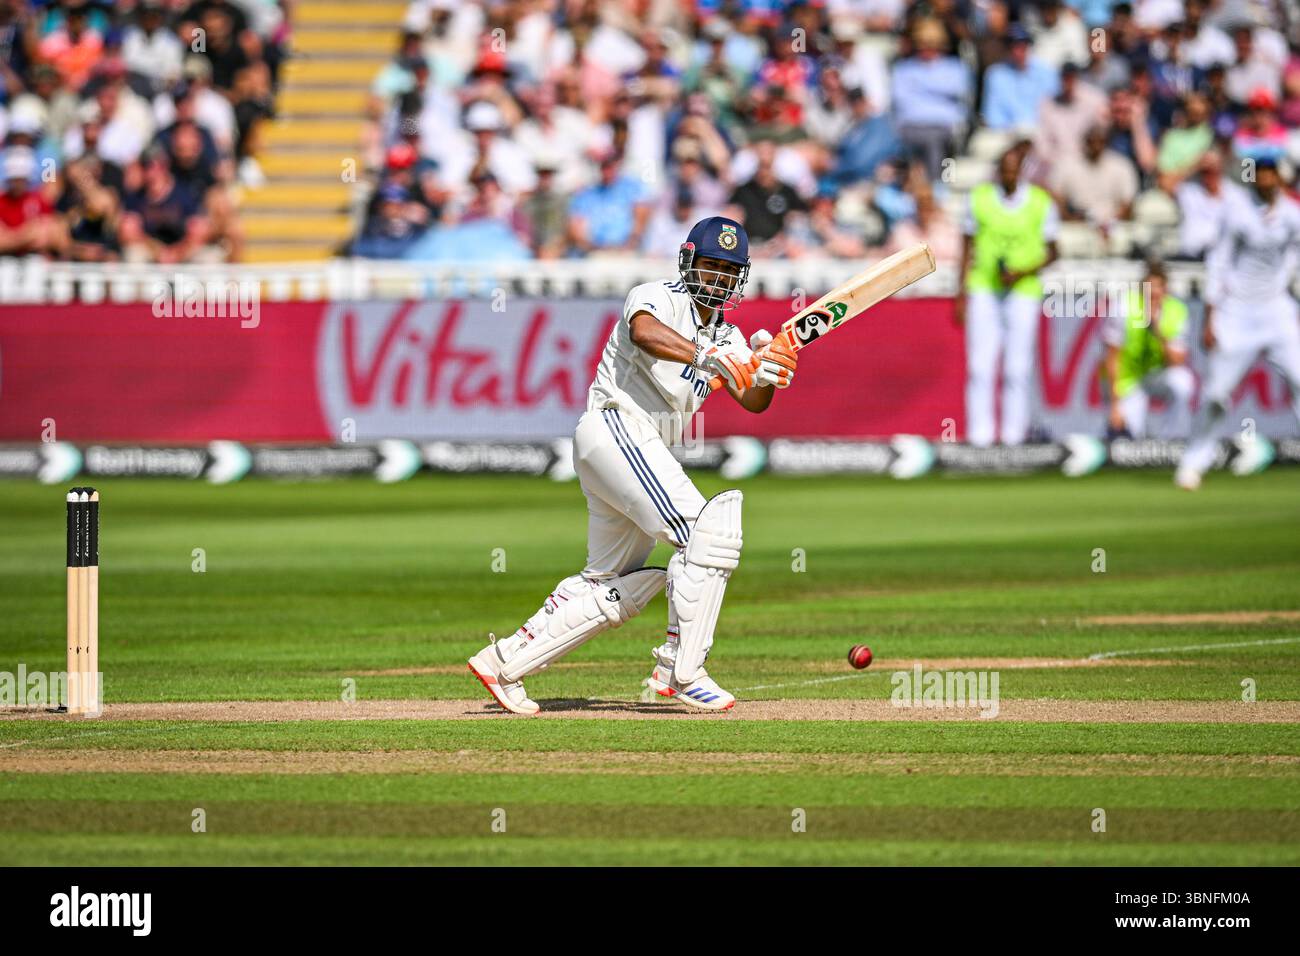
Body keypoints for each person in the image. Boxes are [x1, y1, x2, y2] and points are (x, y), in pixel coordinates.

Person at [467, 217, 797, 714]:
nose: (718, 279)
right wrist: (706, 356)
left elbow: (754, 400)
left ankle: (503, 663)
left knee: (614, 583)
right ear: (687, 262)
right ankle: (680, 669)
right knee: (709, 533)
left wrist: (769, 368)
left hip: (636, 451)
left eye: (729, 271)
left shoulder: (730, 336)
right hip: (616, 426)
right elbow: (644, 332)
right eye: (710, 267)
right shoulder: (657, 297)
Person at [1176, 158, 1300, 490]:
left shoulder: (1292, 214)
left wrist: (1288, 282)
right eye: (1259, 175)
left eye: (1270, 174)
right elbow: (1218, 263)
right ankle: (1193, 462)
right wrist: (1210, 316)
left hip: (1276, 308)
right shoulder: (1237, 211)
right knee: (1216, 394)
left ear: (1280, 178)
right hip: (1237, 311)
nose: (1264, 180)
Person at [956, 147, 1060, 447]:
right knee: (980, 366)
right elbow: (966, 246)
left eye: (1013, 169)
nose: (1008, 174)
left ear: (1022, 171)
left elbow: (1054, 252)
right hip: (985, 288)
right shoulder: (979, 198)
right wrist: (960, 292)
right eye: (1004, 169)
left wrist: (1022, 272)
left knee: (1017, 368)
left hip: (1023, 292)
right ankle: (980, 438)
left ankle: (1014, 438)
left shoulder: (1040, 202)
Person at [1101, 262, 1195, 439]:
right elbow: (1112, 358)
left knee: (1183, 382)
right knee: (1126, 438)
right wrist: (1115, 406)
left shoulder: (1177, 311)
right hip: (1128, 379)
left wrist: (1157, 330)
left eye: (1156, 292)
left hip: (1156, 375)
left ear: (1165, 291)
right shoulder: (1124, 306)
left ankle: (1171, 440)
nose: (1152, 297)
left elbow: (1177, 361)